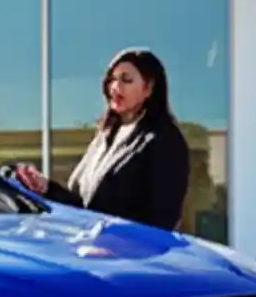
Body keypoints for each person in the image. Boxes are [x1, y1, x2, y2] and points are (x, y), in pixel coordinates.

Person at [13, 47, 190, 231]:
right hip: (89, 250)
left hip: (127, 255)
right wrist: (46, 188)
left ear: (149, 87)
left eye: (126, 80)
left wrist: (119, 246)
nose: (115, 87)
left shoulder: (164, 139)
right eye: (112, 79)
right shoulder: (104, 137)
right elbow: (83, 206)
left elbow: (163, 219)